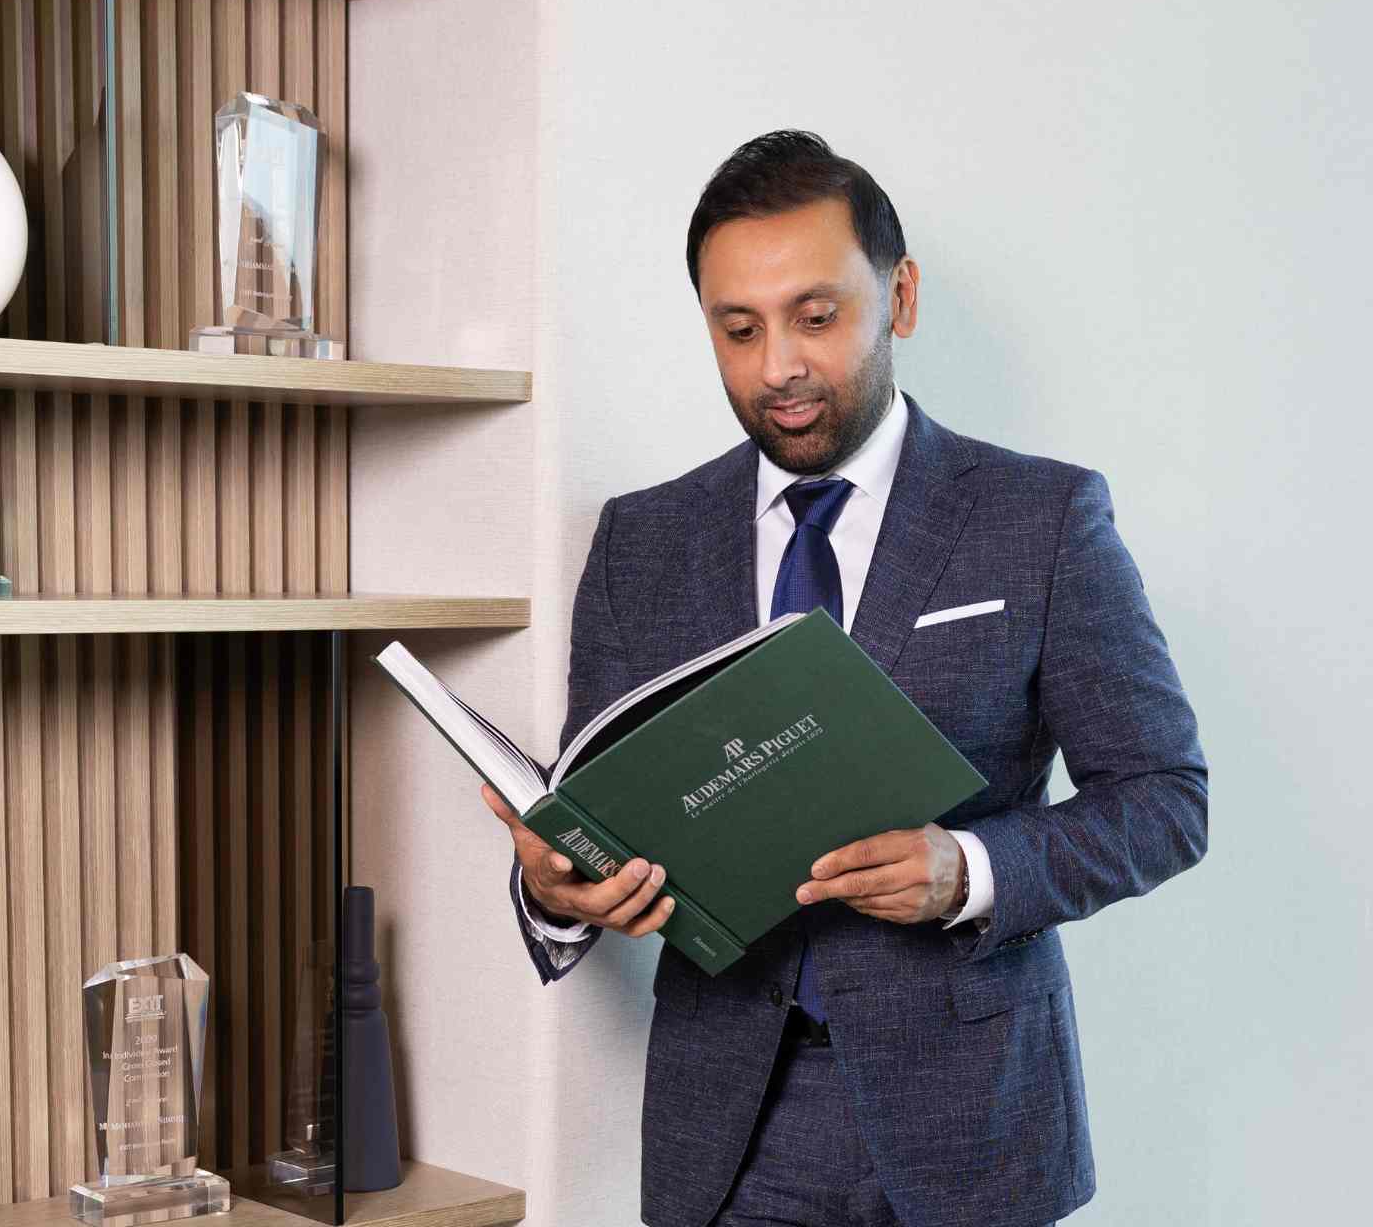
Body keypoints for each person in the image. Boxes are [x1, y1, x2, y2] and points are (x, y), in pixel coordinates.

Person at [478, 129, 1208, 1227]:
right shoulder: (642, 540)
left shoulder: (1040, 519)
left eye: (815, 316)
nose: (778, 364)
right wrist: (556, 885)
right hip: (726, 1130)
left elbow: (1163, 798)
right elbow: (602, 806)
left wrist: (965, 869)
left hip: (968, 1130)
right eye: (738, 328)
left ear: (898, 296)